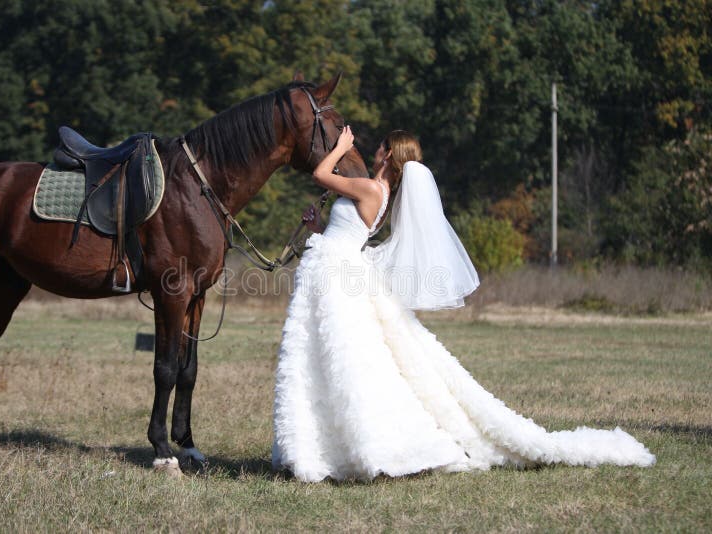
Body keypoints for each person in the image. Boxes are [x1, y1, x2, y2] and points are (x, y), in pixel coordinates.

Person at [271, 127, 655, 482]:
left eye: (379, 147)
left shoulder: (372, 190)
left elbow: (320, 176)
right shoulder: (378, 195)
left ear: (387, 155)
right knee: (327, 355)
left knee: (341, 357)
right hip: (334, 270)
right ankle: (324, 442)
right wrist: (317, 228)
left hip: (337, 276)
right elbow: (349, 236)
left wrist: (338, 148)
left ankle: (359, 444)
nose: (371, 150)